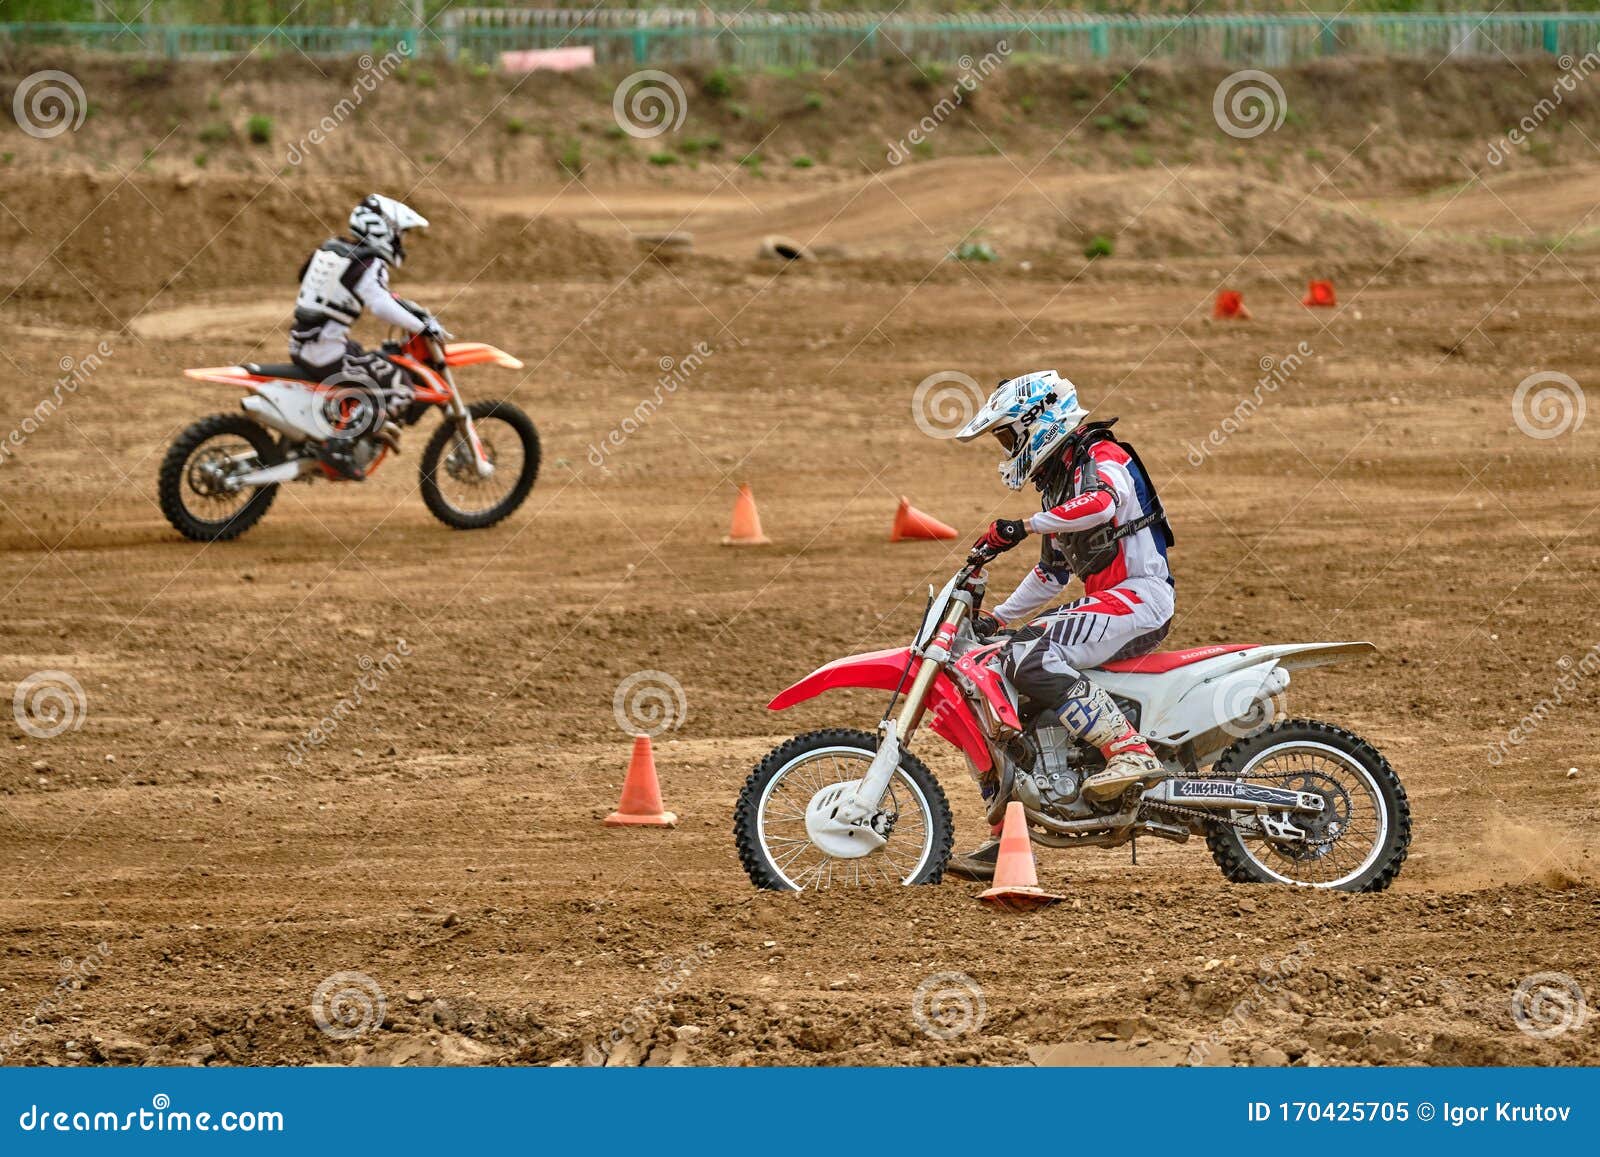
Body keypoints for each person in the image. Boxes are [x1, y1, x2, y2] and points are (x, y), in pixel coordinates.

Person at [946, 369, 1176, 881]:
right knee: (996, 669)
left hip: (1139, 597)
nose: (1005, 448)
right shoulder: (1058, 483)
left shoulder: (1101, 457)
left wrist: (1023, 526)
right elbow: (1052, 574)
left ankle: (1130, 752)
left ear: (1038, 422)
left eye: (1007, 436)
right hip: (1109, 599)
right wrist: (995, 619)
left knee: (1034, 656)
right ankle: (1008, 829)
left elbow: (1104, 503)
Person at [289, 194, 442, 479]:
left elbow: (307, 278)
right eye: (400, 234)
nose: (401, 242)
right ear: (383, 229)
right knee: (399, 385)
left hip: (302, 343)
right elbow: (380, 304)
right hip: (327, 351)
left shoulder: (331, 249)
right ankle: (339, 449)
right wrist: (423, 327)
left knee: (370, 360)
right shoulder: (369, 261)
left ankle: (334, 427)